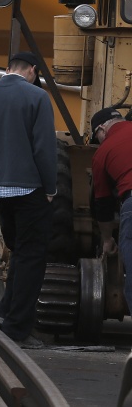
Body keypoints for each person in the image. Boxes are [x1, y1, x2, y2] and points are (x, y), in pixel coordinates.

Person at [0, 51, 57, 349]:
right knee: (32, 258)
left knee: (19, 252)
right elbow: (45, 148)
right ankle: (18, 330)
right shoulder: (37, 98)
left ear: (8, 69)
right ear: (33, 70)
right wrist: (50, 187)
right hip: (30, 189)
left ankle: (4, 314)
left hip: (0, 190)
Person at [89, 107, 132, 310]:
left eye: (96, 137)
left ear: (102, 129)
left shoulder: (102, 153)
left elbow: (103, 203)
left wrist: (107, 240)